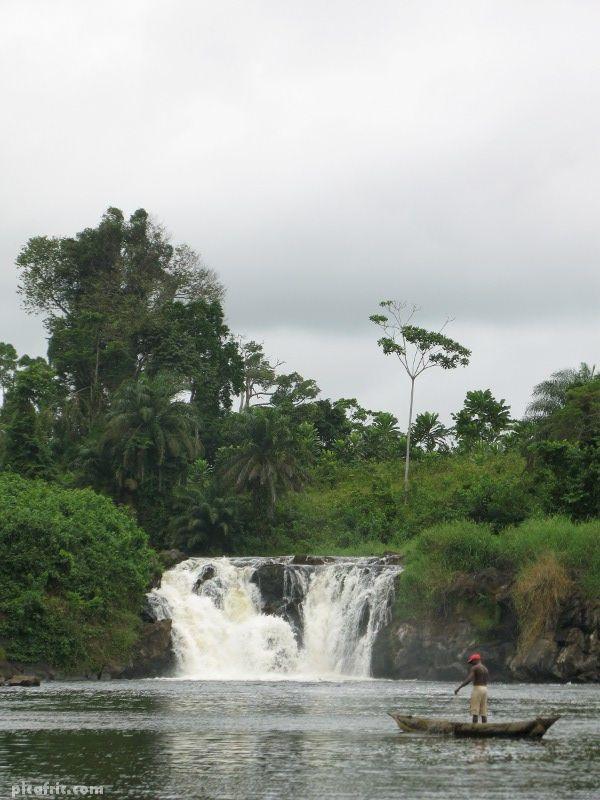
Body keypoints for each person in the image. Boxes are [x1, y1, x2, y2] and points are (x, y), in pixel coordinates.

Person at [454, 653, 489, 723]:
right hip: (485, 689)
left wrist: (459, 687)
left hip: (477, 689)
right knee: (483, 712)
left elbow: (469, 679)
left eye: (472, 661)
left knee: (475, 711)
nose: (471, 663)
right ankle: (484, 728)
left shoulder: (475, 667)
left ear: (476, 660)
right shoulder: (485, 669)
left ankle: (474, 728)